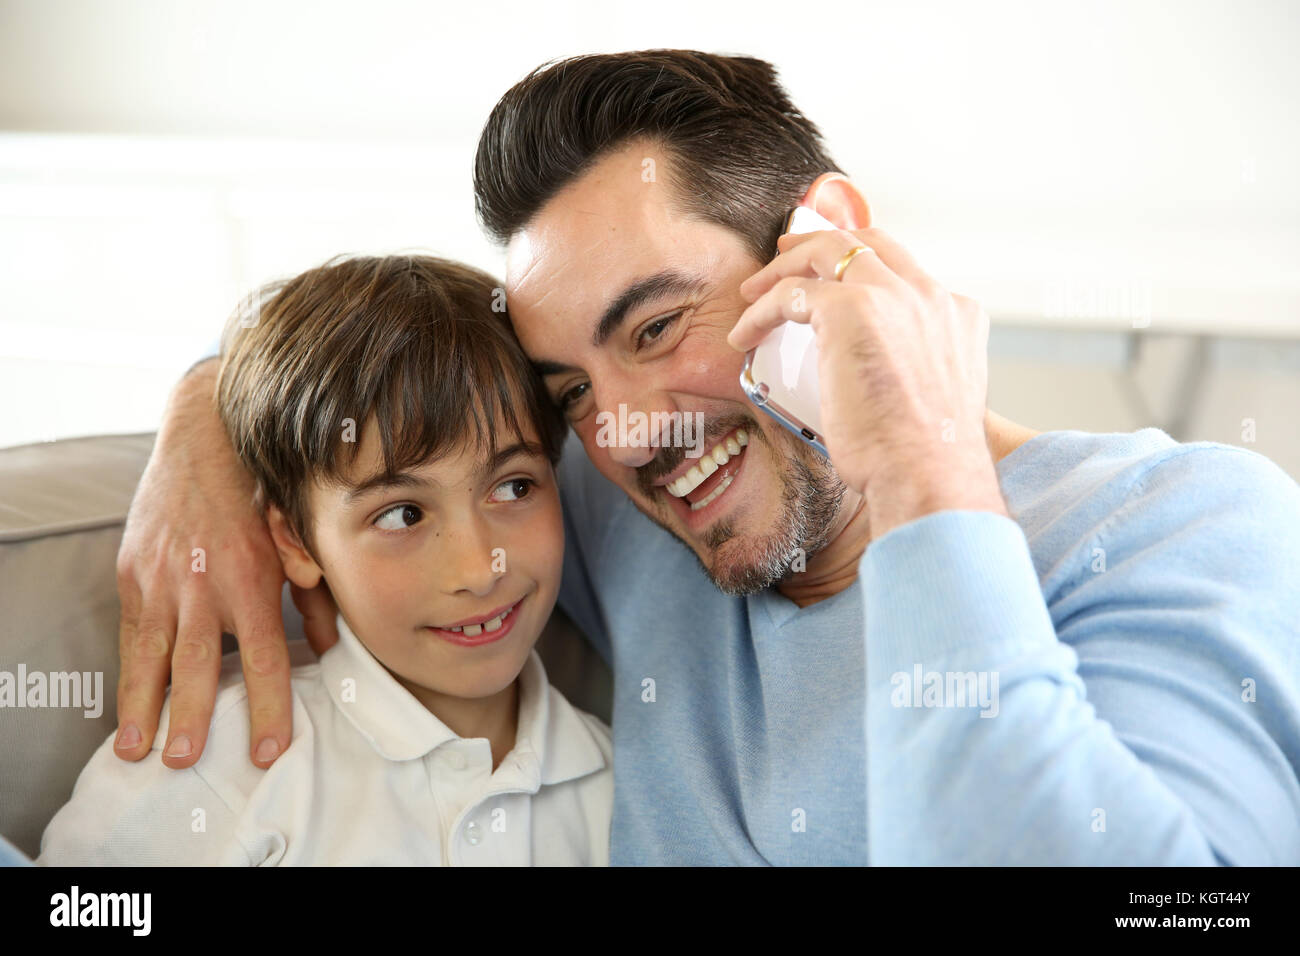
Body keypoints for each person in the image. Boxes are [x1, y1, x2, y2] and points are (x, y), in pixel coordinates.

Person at [113, 51, 1300, 865]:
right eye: (573, 386)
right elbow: (356, 362)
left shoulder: (1187, 525)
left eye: (655, 326)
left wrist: (921, 463)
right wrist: (200, 421)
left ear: (822, 245)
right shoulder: (624, 514)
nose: (623, 430)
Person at [41, 255, 612, 865]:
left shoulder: (613, 786)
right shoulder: (215, 761)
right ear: (296, 543)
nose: (479, 570)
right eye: (402, 515)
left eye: (514, 487)